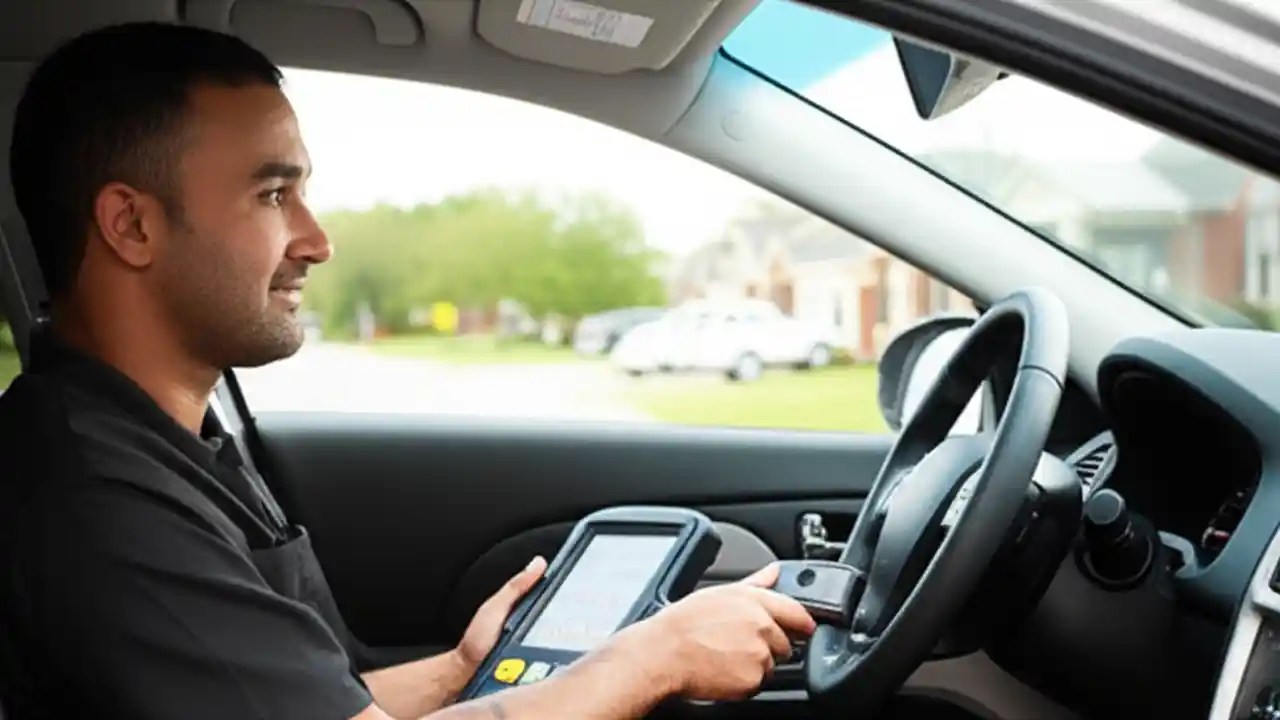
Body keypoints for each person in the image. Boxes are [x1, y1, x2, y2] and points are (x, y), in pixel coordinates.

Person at [0, 21, 816, 720]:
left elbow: (299, 698)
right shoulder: (89, 498)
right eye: (273, 195)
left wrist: (464, 669)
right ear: (131, 226)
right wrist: (650, 661)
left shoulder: (163, 442)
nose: (317, 240)